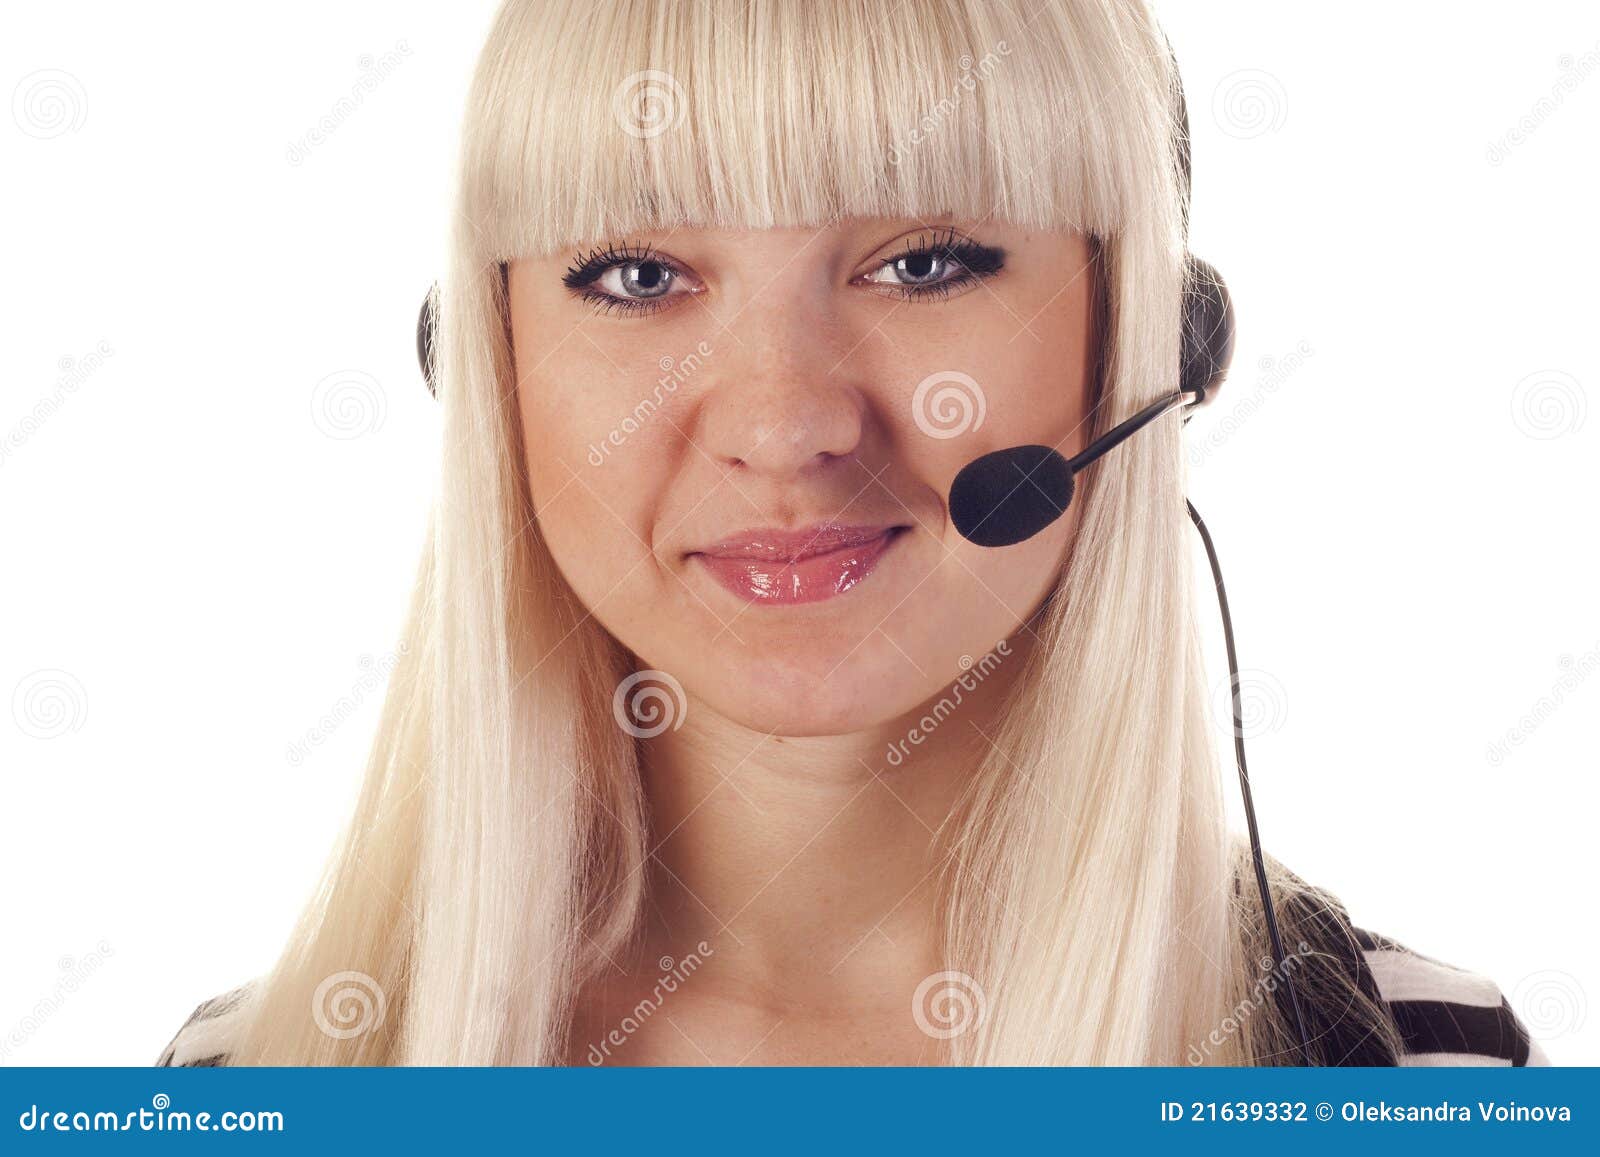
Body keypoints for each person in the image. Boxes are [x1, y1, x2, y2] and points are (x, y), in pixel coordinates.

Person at [159, 0, 1547, 1066]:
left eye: (925, 261)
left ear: (1151, 343)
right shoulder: (244, 1086)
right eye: (637, 271)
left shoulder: (1424, 1067)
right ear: (484, 363)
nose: (788, 423)